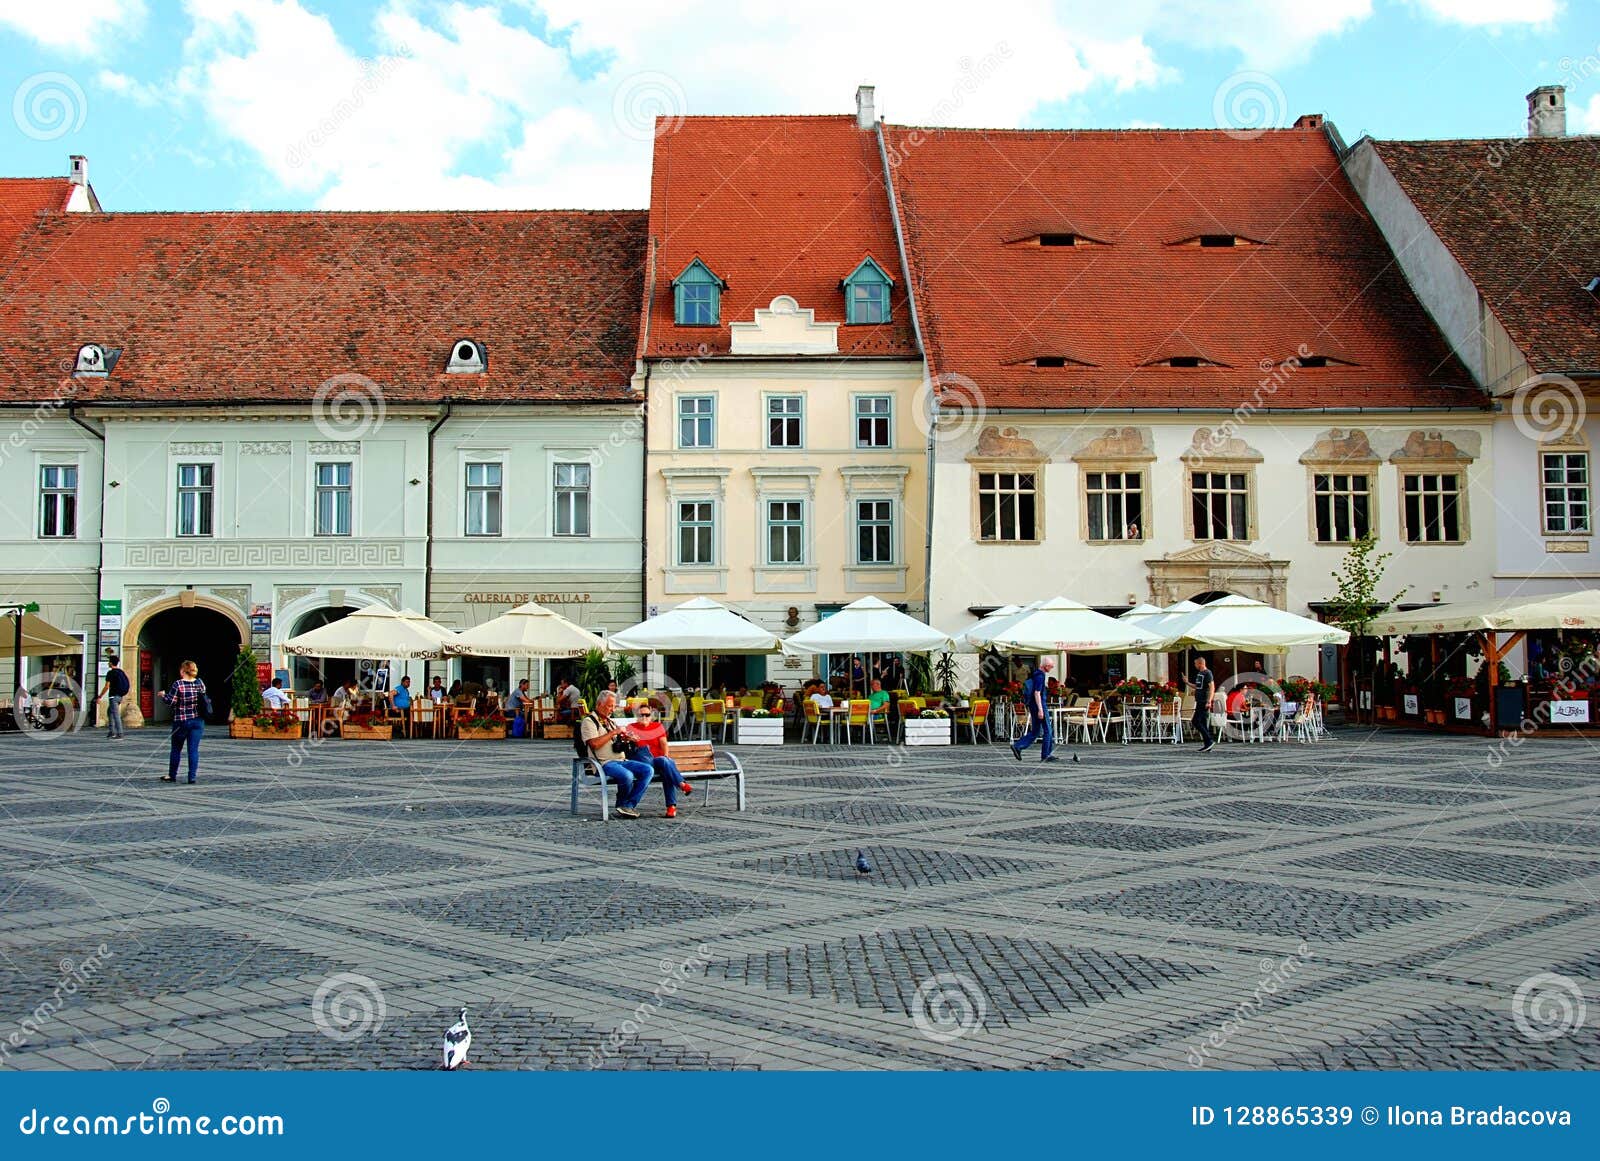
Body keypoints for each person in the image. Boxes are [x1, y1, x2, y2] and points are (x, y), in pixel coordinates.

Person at [580, 691, 654, 819]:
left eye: (614, 706)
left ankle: (629, 805)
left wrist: (628, 739)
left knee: (648, 770)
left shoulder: (609, 721)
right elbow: (594, 744)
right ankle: (622, 804)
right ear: (599, 704)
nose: (612, 710)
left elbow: (616, 743)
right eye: (610, 706)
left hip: (621, 760)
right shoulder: (589, 721)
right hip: (603, 763)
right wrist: (614, 732)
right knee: (627, 775)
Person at [624, 703, 693, 818]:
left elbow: (664, 744)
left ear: (651, 715)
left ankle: (672, 806)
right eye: (642, 715)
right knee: (666, 767)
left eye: (647, 715)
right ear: (637, 715)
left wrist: (666, 756)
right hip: (645, 764)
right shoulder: (631, 727)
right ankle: (680, 788)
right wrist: (629, 739)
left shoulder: (657, 726)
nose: (644, 717)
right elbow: (628, 746)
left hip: (658, 761)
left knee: (665, 764)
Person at [159, 660, 207, 784]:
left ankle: (172, 775)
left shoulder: (178, 684)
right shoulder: (200, 683)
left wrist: (163, 695)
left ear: (182, 671)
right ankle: (192, 777)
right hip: (197, 721)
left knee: (176, 749)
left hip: (181, 721)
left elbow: (171, 702)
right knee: (193, 750)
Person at [1010, 657, 1058, 762]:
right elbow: (1037, 693)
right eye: (1051, 666)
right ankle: (1046, 755)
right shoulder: (1040, 676)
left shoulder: (1036, 673)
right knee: (1048, 730)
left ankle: (1018, 746)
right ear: (1046, 666)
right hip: (1039, 705)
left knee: (1036, 731)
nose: (1052, 667)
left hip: (1033, 705)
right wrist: (1041, 709)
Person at [97, 654, 129, 740]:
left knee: (115, 715)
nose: (108, 663)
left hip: (113, 697)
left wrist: (100, 696)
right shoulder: (121, 672)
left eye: (109, 662)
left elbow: (107, 686)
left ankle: (120, 733)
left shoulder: (111, 673)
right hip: (119, 696)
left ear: (111, 663)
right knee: (109, 712)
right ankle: (111, 732)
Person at [1191, 656, 1217, 753]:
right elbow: (1197, 686)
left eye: (1195, 664)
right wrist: (1187, 682)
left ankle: (1209, 740)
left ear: (1200, 663)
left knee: (1195, 721)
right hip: (1199, 700)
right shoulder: (1200, 673)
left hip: (1204, 701)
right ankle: (1207, 744)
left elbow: (1212, 687)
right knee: (1203, 722)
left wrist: (1209, 701)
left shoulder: (1207, 673)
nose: (1195, 665)